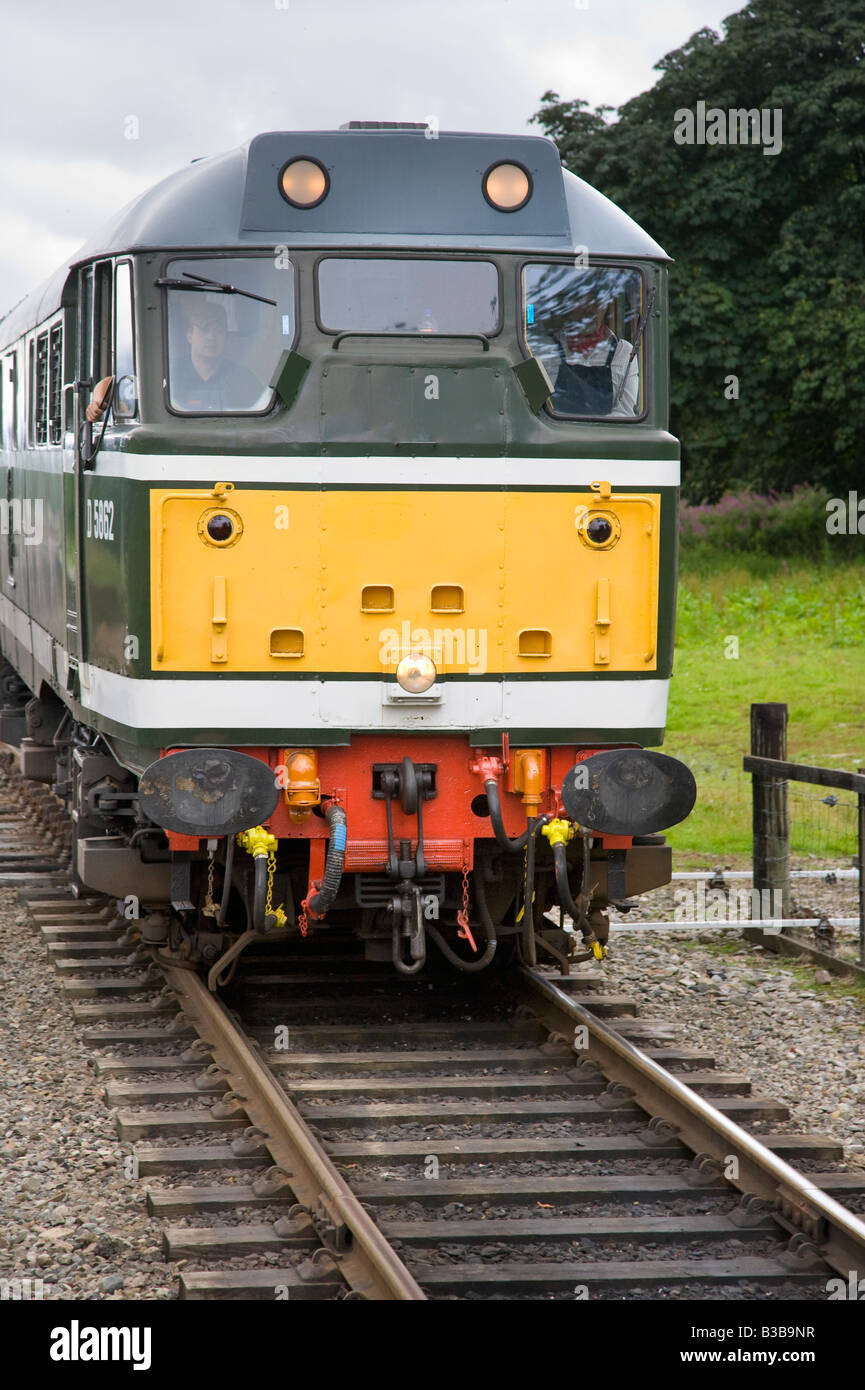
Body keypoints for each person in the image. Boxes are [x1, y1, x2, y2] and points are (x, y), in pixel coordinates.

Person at [538, 285, 640, 418]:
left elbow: (625, 414)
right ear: (568, 307)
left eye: (596, 301)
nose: (589, 310)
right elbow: (539, 411)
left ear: (605, 307)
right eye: (581, 301)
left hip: (604, 437)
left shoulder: (624, 352)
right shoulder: (547, 348)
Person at [170, 301, 264, 412]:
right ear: (189, 335)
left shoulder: (244, 379)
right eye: (204, 330)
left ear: (226, 337)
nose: (211, 337)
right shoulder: (171, 374)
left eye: (218, 331)